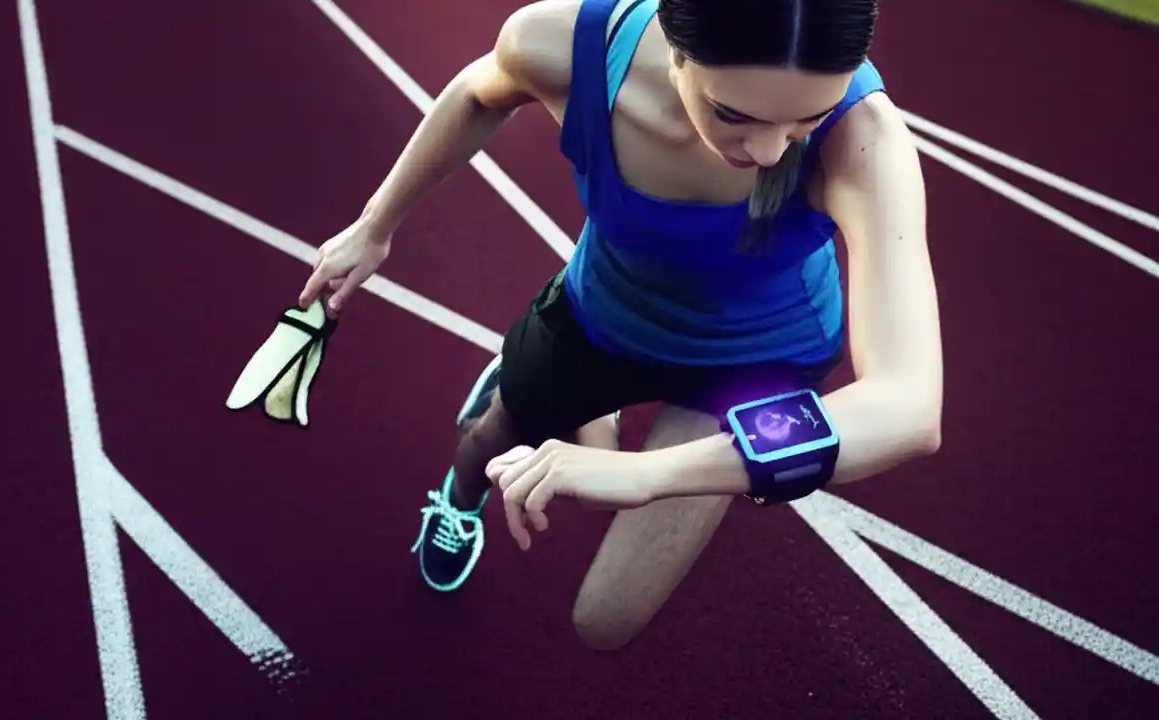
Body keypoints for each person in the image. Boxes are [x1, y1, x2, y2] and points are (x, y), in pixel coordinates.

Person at [298, 0, 942, 651]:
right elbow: (476, 93)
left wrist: (649, 476)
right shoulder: (563, 48)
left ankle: (594, 428)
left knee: (602, 624)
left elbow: (908, 411)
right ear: (674, 42)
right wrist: (374, 227)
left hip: (757, 356)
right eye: (734, 114)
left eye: (806, 118)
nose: (772, 151)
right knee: (490, 445)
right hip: (606, 315)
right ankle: (460, 500)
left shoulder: (864, 138)